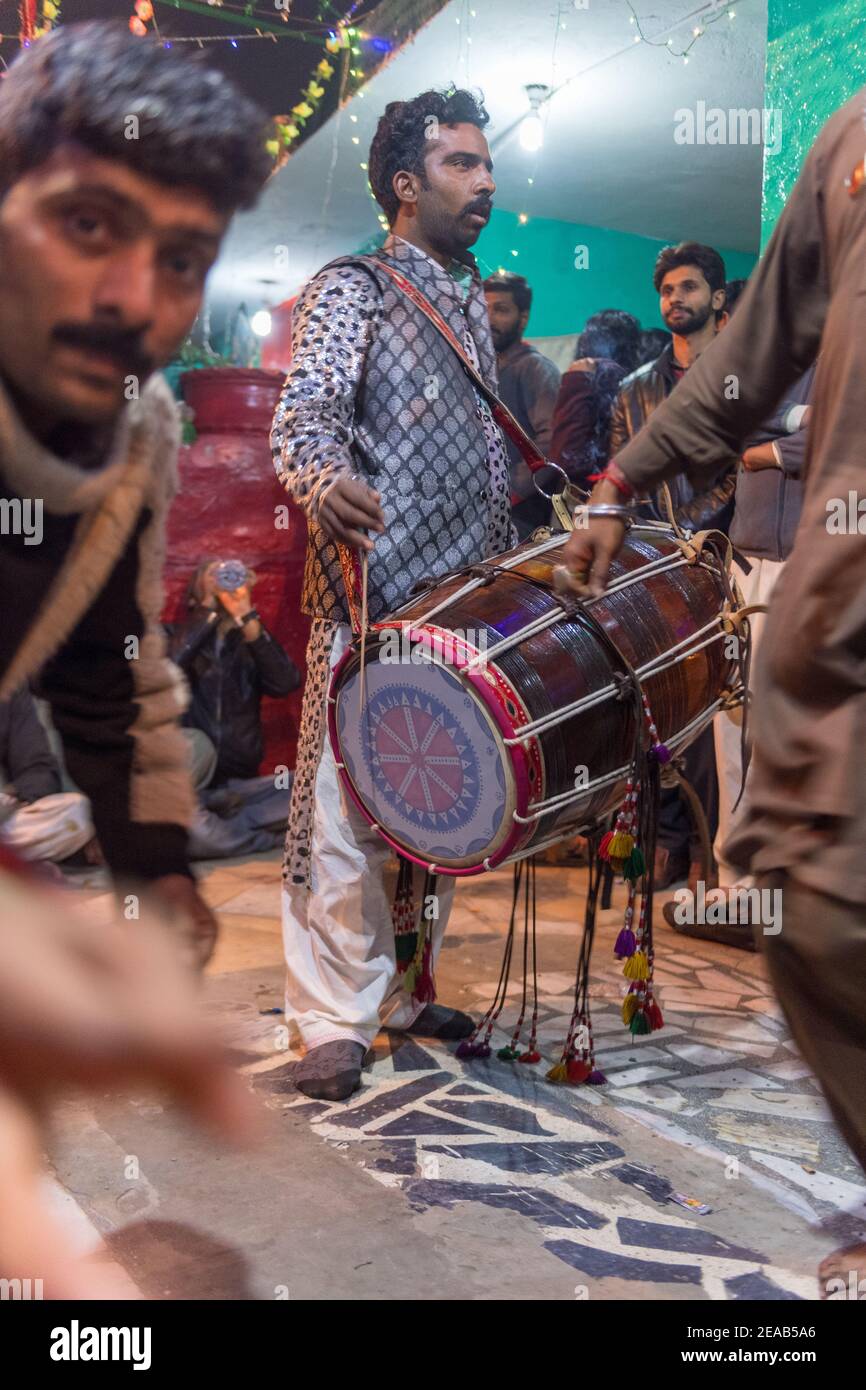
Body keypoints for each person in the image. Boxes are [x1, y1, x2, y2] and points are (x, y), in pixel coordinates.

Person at [562, 88, 866, 1297]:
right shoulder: (848, 136)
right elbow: (755, 354)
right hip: (837, 607)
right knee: (804, 881)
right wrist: (622, 472)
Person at [0, 24, 272, 967]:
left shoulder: (138, 427)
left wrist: (155, 866)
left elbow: (106, 670)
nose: (131, 296)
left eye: (182, 261)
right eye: (87, 225)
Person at [271, 87, 513, 1102]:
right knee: (343, 810)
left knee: (435, 807)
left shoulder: (467, 295)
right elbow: (304, 412)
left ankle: (404, 993)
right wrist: (324, 480)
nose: (486, 181)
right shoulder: (354, 287)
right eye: (462, 163)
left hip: (460, 599)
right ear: (407, 185)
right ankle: (330, 1018)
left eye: (485, 162)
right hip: (369, 592)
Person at [608, 242, 738, 893]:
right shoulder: (634, 390)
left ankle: (713, 857)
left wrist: (697, 540)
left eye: (688, 287)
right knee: (656, 709)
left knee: (717, 716)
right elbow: (618, 478)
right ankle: (665, 846)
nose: (674, 300)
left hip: (724, 566)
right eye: (666, 290)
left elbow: (742, 470)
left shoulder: (745, 379)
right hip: (651, 572)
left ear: (717, 298)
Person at [168, 559, 301, 859]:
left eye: (227, 573)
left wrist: (245, 614)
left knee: (310, 786)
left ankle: (225, 830)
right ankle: (258, 836)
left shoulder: (247, 646)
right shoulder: (170, 637)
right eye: (211, 574)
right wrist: (209, 609)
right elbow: (170, 668)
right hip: (190, 789)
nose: (222, 581)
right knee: (193, 830)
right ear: (193, 598)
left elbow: (287, 682)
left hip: (241, 789)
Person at [483, 271, 561, 538]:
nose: (489, 318)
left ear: (523, 318)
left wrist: (513, 489)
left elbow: (553, 439)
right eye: (485, 308)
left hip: (522, 519)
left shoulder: (535, 368)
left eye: (501, 310)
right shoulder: (483, 369)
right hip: (488, 514)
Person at [0, 685, 97, 866]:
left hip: (6, 820)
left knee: (78, 809)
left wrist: (12, 796)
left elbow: (39, 770)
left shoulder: (10, 685)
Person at [550, 309, 640, 493]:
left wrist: (577, 378)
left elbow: (567, 457)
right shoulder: (632, 382)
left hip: (584, 496)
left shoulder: (584, 374)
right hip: (607, 494)